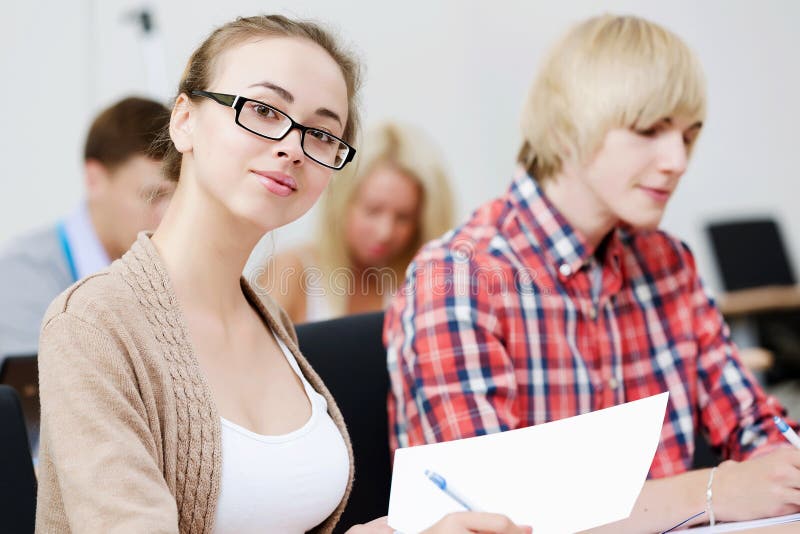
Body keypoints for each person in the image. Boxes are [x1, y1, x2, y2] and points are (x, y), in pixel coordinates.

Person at [35, 14, 529, 534]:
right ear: (184, 120)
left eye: (320, 133)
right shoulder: (92, 325)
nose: (293, 146)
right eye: (266, 110)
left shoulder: (267, 317)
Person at [384, 13, 800, 532]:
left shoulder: (669, 262)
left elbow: (758, 427)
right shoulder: (457, 281)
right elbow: (494, 516)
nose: (677, 160)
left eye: (689, 136)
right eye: (649, 130)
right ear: (564, 130)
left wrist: (784, 468)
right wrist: (712, 490)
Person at [0, 96, 173, 361]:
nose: (168, 215)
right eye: (152, 196)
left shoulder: (172, 275)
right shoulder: (21, 278)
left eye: (176, 197)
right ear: (94, 180)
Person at [257, 121, 454, 323]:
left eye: (403, 217)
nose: (385, 232)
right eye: (372, 211)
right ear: (341, 201)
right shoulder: (291, 272)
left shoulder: (410, 288)